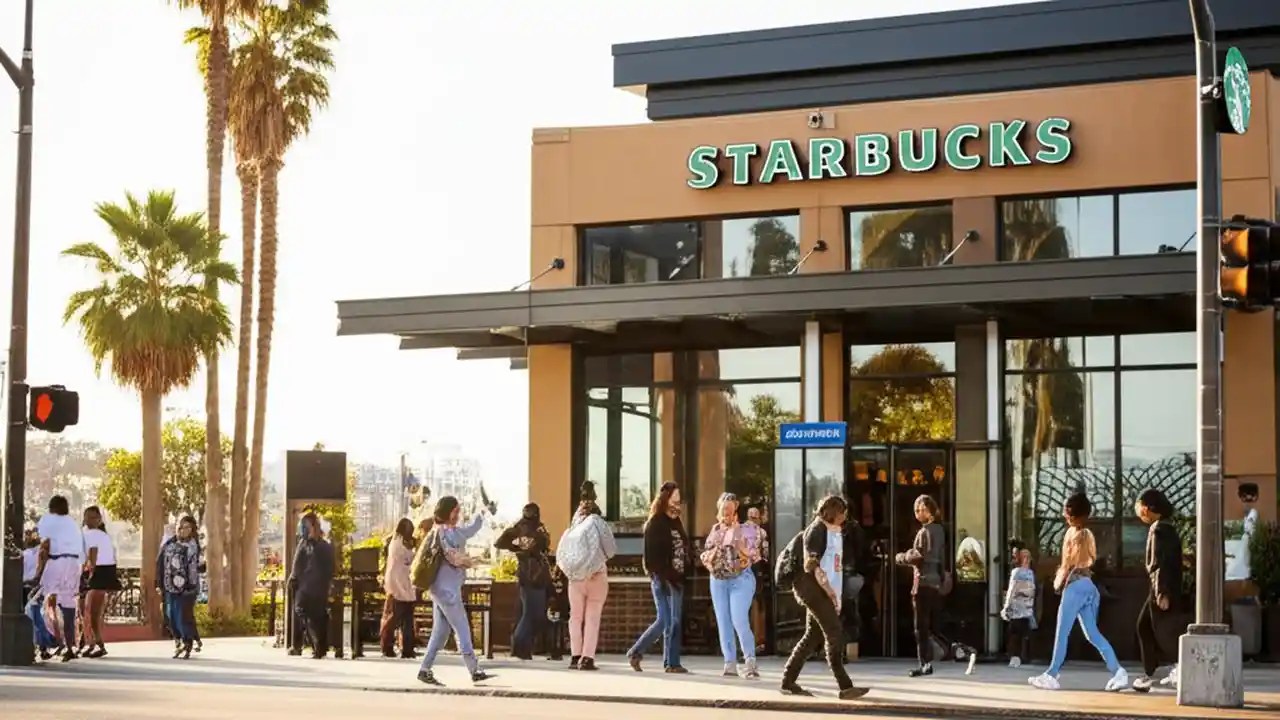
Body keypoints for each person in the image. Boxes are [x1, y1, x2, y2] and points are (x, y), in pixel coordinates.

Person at [1028, 492, 1129, 692]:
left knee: (1062, 631)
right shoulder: (1087, 534)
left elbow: (1069, 563)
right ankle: (1118, 671)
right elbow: (1089, 561)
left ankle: (1052, 673)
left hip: (1075, 586)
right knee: (1092, 634)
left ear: (1076, 515)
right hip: (1088, 586)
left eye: (1068, 513)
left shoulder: (1075, 534)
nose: (1066, 516)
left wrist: (1059, 581)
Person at [779, 495, 869, 700]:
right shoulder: (816, 530)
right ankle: (845, 686)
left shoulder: (828, 530)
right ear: (833, 512)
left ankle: (788, 681)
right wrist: (829, 592)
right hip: (812, 589)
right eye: (842, 512)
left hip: (816, 589)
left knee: (813, 636)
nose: (845, 516)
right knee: (834, 632)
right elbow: (811, 565)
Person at [417, 495, 494, 686]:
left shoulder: (442, 532)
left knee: (440, 633)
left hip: (438, 590)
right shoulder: (448, 534)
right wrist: (474, 560)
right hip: (448, 593)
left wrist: (482, 512)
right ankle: (474, 669)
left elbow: (471, 530)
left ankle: (424, 669)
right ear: (448, 512)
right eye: (456, 511)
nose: (458, 514)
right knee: (463, 629)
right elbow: (459, 553)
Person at [627, 481, 689, 674]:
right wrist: (661, 576)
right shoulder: (655, 523)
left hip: (677, 579)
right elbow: (650, 557)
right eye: (674, 498)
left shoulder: (676, 521)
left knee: (672, 621)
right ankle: (648, 655)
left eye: (679, 499)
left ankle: (667, 661)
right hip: (662, 579)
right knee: (666, 620)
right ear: (666, 498)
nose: (677, 502)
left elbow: (682, 546)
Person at [556, 481, 616, 670]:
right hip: (596, 575)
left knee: (575, 617)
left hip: (575, 578)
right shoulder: (598, 523)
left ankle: (575, 655)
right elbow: (611, 549)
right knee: (592, 616)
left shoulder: (573, 525)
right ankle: (587, 658)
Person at [700, 492, 762, 678]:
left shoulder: (747, 530)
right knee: (723, 621)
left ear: (736, 512)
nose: (725, 515)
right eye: (722, 511)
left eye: (729, 511)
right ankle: (730, 663)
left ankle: (750, 661)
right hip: (718, 580)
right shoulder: (715, 530)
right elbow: (706, 553)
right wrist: (709, 556)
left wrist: (737, 538)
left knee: (738, 618)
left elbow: (754, 555)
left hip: (741, 579)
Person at [1132, 488, 1183, 692]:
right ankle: (1150, 673)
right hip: (1161, 586)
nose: (1139, 511)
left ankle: (1179, 669)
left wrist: (1162, 591)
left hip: (1161, 588)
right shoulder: (1166, 527)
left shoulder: (1159, 530)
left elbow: (1159, 563)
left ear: (1149, 508)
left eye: (1141, 506)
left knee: (1164, 631)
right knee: (1144, 626)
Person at [894, 494, 947, 678]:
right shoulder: (940, 530)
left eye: (923, 509)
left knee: (921, 626)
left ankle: (924, 663)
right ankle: (940, 653)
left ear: (931, 510)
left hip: (922, 580)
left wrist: (901, 557)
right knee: (931, 624)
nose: (919, 513)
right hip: (935, 582)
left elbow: (917, 556)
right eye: (917, 510)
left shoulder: (924, 532)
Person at [496, 502, 552, 660]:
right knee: (534, 614)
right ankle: (520, 646)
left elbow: (500, 542)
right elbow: (546, 544)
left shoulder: (517, 528)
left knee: (525, 613)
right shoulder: (539, 529)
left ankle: (522, 648)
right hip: (536, 575)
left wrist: (517, 548)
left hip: (523, 573)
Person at [34, 495, 83, 662]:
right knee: (69, 604)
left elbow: (44, 546)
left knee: (43, 601)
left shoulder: (47, 520)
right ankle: (70, 645)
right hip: (74, 564)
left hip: (57, 562)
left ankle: (53, 640)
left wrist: (39, 570)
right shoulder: (73, 523)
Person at [289, 512, 336, 659]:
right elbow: (297, 565)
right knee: (308, 614)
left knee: (314, 616)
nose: (304, 529)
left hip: (315, 588)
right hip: (308, 587)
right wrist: (294, 578)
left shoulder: (321, 547)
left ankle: (317, 646)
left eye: (307, 526)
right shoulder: (305, 545)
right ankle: (312, 646)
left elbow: (330, 568)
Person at [81, 505, 122, 658]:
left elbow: (92, 553)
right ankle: (91, 642)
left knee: (90, 611)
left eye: (92, 517)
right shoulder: (102, 535)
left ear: (99, 520)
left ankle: (96, 643)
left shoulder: (92, 534)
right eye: (87, 517)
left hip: (98, 572)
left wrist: (89, 572)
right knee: (90, 611)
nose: (88, 520)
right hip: (105, 572)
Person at [158, 515, 201, 659]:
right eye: (180, 527)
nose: (183, 530)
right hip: (170, 586)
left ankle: (187, 642)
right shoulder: (168, 544)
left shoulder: (193, 546)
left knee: (182, 614)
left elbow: (195, 567)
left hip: (187, 587)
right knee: (170, 614)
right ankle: (179, 640)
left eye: (187, 528)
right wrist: (158, 583)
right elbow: (160, 564)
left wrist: (190, 585)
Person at [383, 518, 418, 659]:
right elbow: (408, 559)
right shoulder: (397, 544)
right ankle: (388, 647)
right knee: (395, 618)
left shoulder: (400, 543)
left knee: (407, 619)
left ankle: (408, 648)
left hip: (404, 584)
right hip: (398, 585)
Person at [1000, 546, 1037, 668]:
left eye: (1028, 557)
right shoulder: (1018, 572)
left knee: (1021, 633)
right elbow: (1012, 589)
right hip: (1018, 607)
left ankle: (1021, 656)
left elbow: (1031, 590)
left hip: (1026, 608)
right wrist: (1007, 606)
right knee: (1016, 633)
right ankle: (1016, 656)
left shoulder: (1030, 573)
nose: (1027, 560)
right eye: (1024, 557)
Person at [22, 529, 56, 660]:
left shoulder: (34, 553)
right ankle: (43, 647)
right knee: (39, 617)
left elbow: (38, 573)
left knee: (34, 616)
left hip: (34, 588)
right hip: (43, 589)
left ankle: (39, 646)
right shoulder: (51, 555)